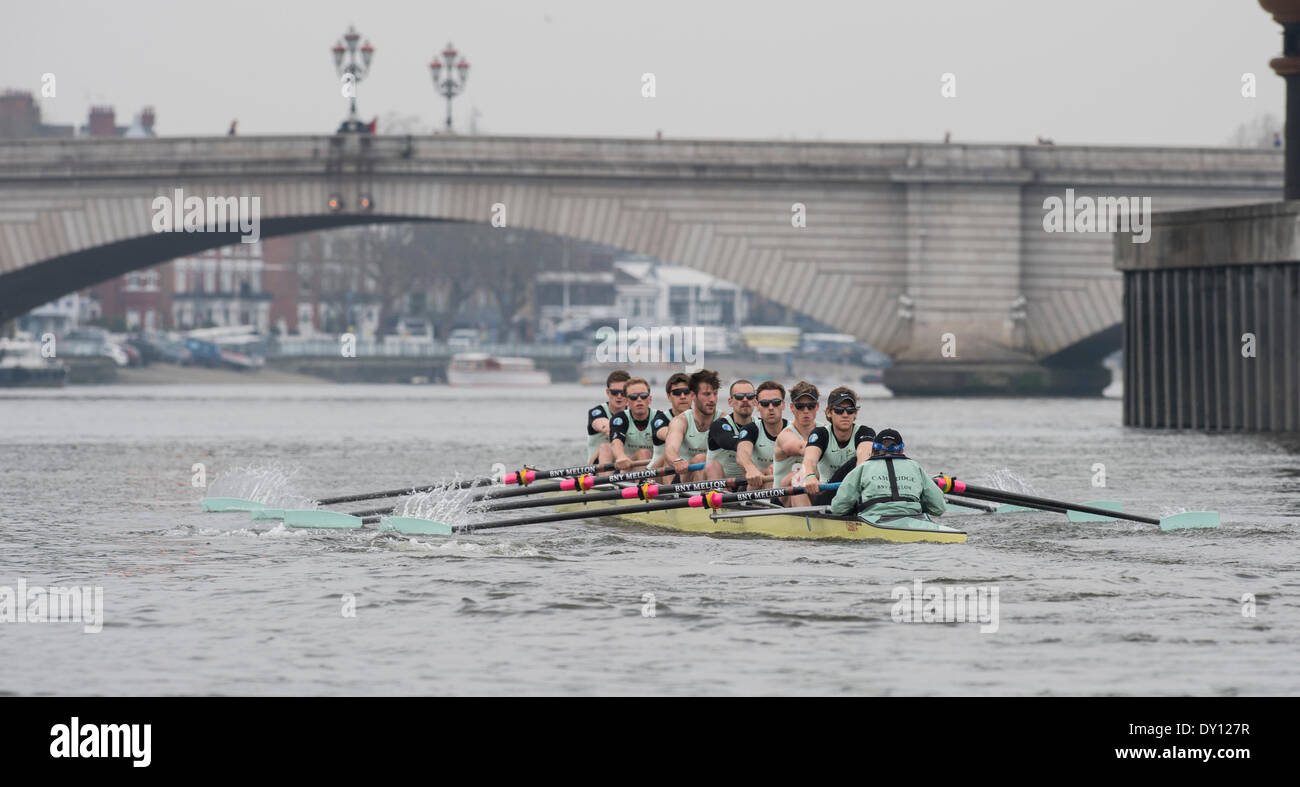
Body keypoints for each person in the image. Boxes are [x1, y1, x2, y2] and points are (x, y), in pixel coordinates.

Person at [829, 428, 946, 523]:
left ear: (874, 450)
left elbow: (838, 508)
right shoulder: (915, 467)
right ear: (901, 451)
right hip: (913, 519)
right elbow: (939, 508)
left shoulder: (862, 468)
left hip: (873, 522)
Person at [800, 387, 874, 507]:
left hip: (854, 494)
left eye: (850, 410)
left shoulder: (865, 432)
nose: (845, 415)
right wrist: (810, 476)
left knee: (861, 464)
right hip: (827, 496)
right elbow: (809, 459)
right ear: (829, 413)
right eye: (839, 410)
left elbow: (864, 457)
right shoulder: (820, 434)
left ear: (855, 413)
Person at [662, 368, 719, 482]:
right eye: (707, 394)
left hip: (713, 476)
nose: (712, 399)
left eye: (715, 393)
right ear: (693, 395)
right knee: (701, 459)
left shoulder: (723, 420)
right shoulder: (680, 421)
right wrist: (677, 460)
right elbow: (670, 449)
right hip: (684, 478)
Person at [704, 379, 760, 484]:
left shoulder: (761, 425)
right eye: (739, 397)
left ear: (755, 401)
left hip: (747, 484)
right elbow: (730, 442)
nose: (745, 400)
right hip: (720, 483)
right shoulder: (719, 425)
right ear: (730, 402)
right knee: (712, 466)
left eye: (749, 396)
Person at [610, 377, 671, 472]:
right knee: (643, 453)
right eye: (633, 397)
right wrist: (621, 457)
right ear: (626, 401)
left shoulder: (660, 417)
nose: (639, 400)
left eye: (643, 396)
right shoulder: (620, 419)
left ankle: (643, 484)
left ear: (649, 399)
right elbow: (616, 441)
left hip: (655, 468)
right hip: (627, 468)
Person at [734, 379, 787, 489]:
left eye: (776, 403)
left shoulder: (792, 429)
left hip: (786, 484)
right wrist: (751, 469)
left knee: (772, 471)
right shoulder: (751, 429)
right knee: (767, 472)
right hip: (756, 485)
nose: (771, 408)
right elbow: (741, 454)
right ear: (757, 406)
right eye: (765, 404)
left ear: (783, 405)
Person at [773, 381, 819, 495]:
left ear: (817, 407)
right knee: (798, 478)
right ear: (792, 407)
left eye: (811, 406)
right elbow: (800, 447)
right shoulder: (785, 435)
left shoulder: (825, 430)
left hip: (814, 492)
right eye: (800, 406)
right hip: (781, 499)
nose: (806, 411)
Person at [649, 372, 694, 469]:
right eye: (677, 393)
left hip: (688, 471)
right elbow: (667, 433)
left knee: (700, 459)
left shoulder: (702, 418)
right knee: (667, 458)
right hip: (658, 474)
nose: (682, 396)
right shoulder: (660, 419)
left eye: (686, 392)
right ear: (669, 397)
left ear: (693, 395)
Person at [586, 370, 630, 464]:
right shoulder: (597, 412)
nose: (619, 396)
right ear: (608, 392)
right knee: (607, 447)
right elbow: (603, 425)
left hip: (625, 465)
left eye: (623, 393)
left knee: (644, 453)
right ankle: (605, 476)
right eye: (615, 392)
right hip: (597, 466)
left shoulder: (634, 414)